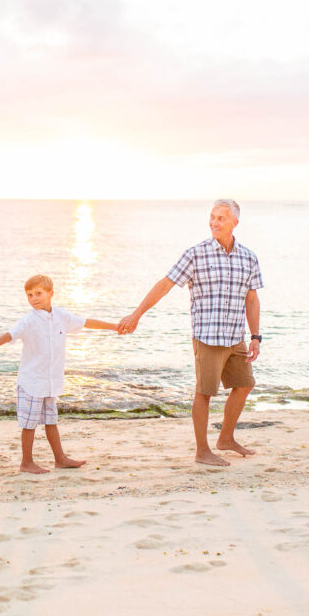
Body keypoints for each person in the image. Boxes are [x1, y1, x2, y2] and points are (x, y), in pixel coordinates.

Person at [117, 199, 263, 466]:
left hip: (235, 337)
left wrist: (255, 337)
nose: (214, 222)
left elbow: (251, 299)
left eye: (221, 218)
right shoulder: (196, 254)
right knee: (204, 392)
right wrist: (137, 314)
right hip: (207, 337)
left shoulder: (248, 256)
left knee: (244, 385)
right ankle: (202, 451)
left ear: (235, 223)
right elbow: (165, 284)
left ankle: (226, 439)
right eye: (212, 217)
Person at [0, 274, 119, 473]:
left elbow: (86, 322)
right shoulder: (28, 321)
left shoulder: (61, 316)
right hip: (32, 381)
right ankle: (26, 463)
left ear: (51, 293)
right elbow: (9, 335)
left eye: (38, 293)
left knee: (51, 420)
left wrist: (115, 327)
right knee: (29, 424)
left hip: (51, 382)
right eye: (29, 295)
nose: (34, 298)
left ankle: (60, 459)